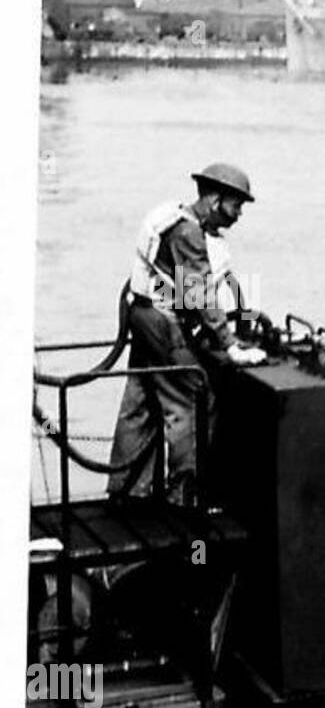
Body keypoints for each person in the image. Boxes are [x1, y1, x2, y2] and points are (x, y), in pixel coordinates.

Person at [108, 164, 265, 505]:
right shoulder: (188, 234)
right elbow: (199, 294)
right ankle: (186, 498)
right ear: (214, 200)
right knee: (194, 394)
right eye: (235, 205)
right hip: (163, 321)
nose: (238, 215)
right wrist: (229, 344)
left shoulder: (172, 217)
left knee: (143, 397)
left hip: (142, 314)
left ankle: (128, 490)